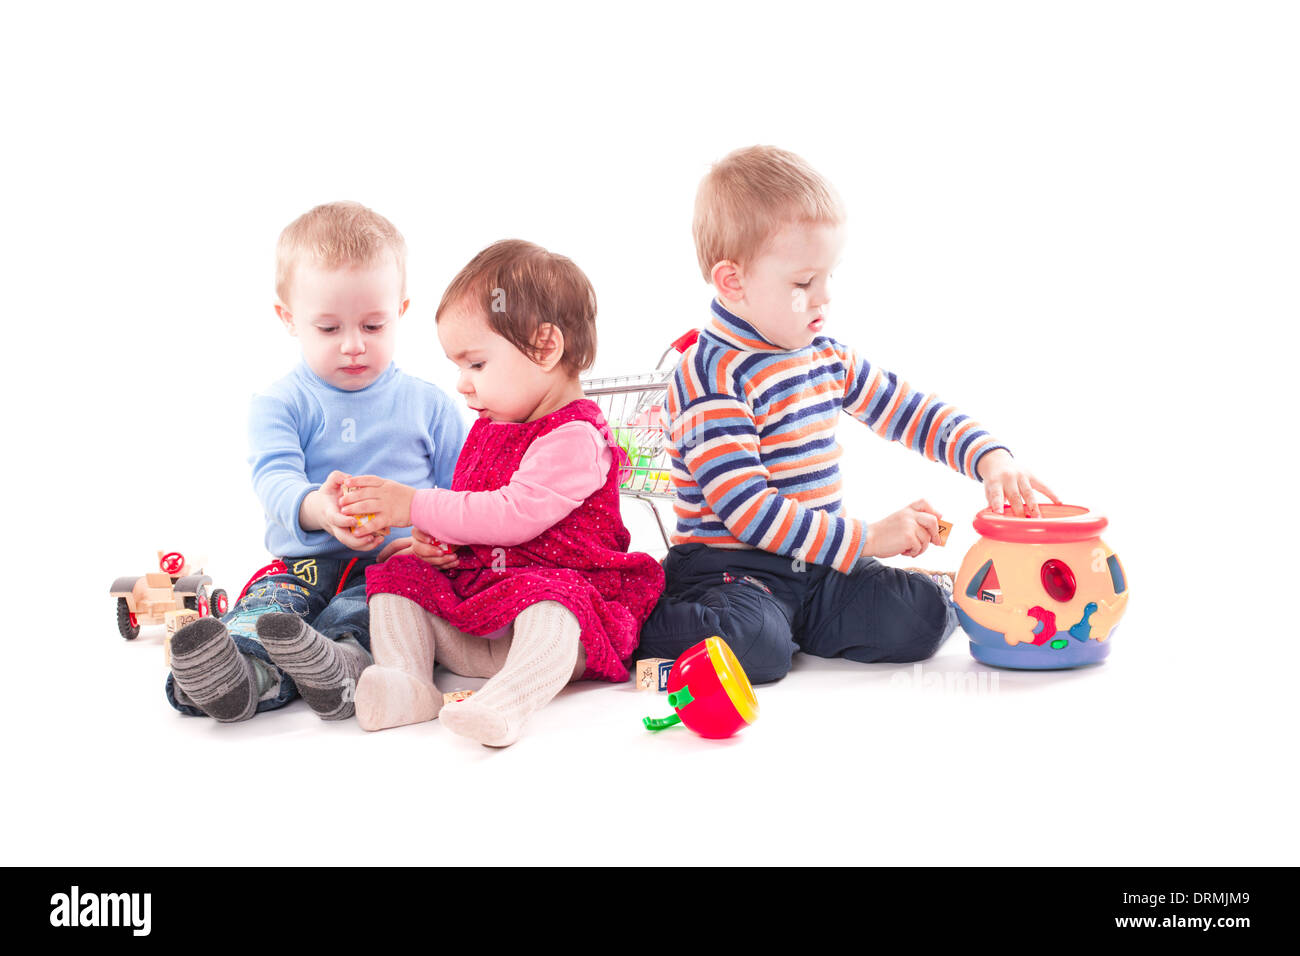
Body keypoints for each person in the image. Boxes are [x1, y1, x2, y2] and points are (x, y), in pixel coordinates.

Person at [635, 145, 1060, 684]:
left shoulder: (825, 357)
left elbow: (910, 411)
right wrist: (867, 539)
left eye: (829, 276)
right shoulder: (711, 377)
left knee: (920, 620)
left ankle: (807, 623)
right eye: (803, 283)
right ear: (733, 282)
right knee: (758, 649)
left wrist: (991, 458)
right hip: (731, 573)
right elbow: (745, 508)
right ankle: (632, 621)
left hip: (817, 566)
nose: (824, 297)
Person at [258, 239, 665, 747]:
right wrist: (435, 544)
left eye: (476, 365)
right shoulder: (496, 424)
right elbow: (470, 508)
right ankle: (409, 682)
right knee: (397, 575)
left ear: (545, 348)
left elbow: (512, 514)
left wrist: (413, 504)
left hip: (554, 618)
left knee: (554, 606)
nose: (463, 385)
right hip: (481, 616)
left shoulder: (575, 437)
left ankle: (509, 701)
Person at [166, 201, 466, 722]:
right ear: (288, 319)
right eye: (329, 329)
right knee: (269, 607)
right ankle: (236, 674)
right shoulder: (281, 404)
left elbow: (460, 497)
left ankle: (341, 665)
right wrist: (318, 508)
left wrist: (421, 540)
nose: (353, 346)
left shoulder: (430, 406)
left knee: (369, 613)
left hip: (393, 569)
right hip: (303, 564)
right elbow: (274, 479)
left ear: (401, 310)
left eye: (373, 326)